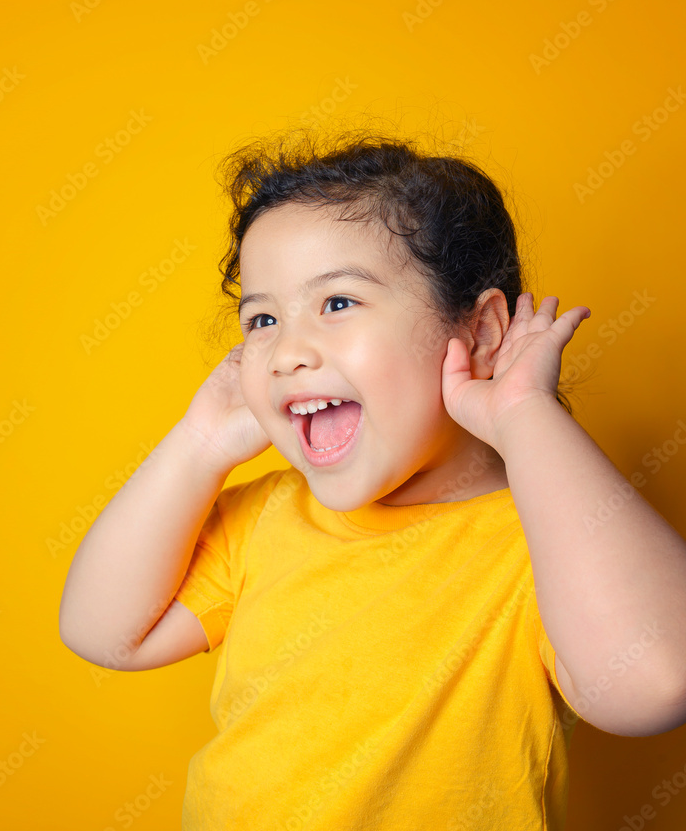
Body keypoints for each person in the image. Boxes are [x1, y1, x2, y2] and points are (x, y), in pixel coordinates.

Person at [58, 129, 686, 829]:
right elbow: (101, 633)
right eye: (262, 318)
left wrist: (525, 414)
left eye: (338, 303)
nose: (288, 351)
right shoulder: (265, 521)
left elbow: (656, 684)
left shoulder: (546, 539)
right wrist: (199, 443)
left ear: (477, 334)